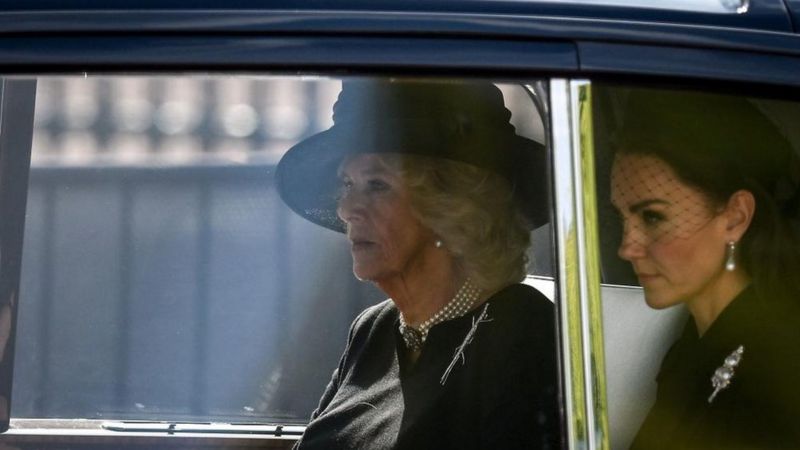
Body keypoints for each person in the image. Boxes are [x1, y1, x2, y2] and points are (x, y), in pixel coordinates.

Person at [275, 79, 559, 449]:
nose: (346, 209)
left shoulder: (521, 331)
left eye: (376, 185)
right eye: (347, 184)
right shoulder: (373, 328)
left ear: (450, 208)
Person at [605, 87, 800, 449]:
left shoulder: (782, 364)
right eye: (622, 218)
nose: (626, 248)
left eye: (653, 217)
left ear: (735, 217)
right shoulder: (689, 347)